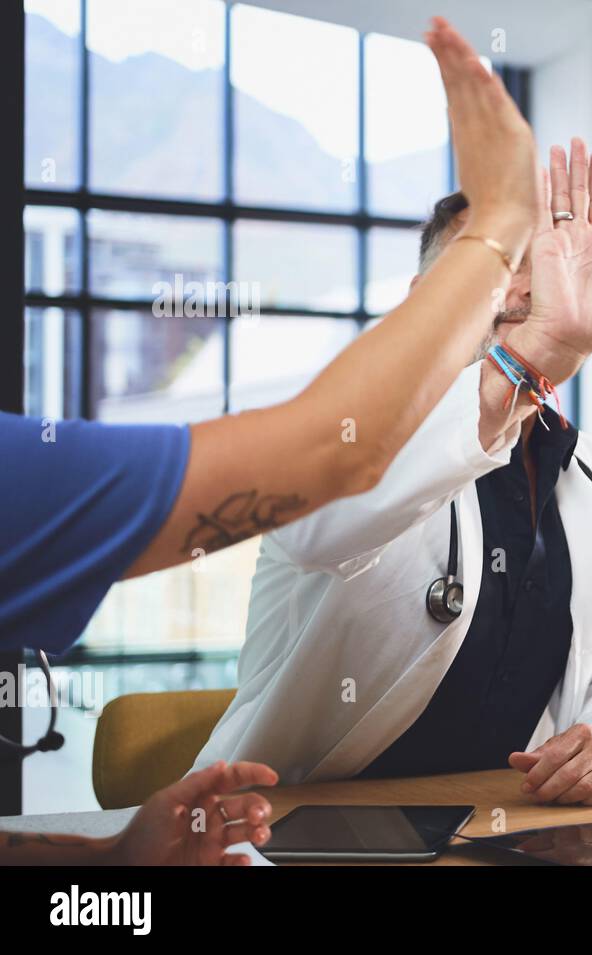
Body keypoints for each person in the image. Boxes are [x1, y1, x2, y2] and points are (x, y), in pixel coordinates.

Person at [0, 17, 538, 865]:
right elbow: (333, 458)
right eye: (510, 299)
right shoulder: (22, 476)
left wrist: (107, 867)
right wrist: (501, 226)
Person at [194, 142, 592, 808]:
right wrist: (520, 368)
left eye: (540, 263)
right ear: (422, 301)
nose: (527, 286)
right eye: (496, 264)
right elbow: (316, 528)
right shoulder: (351, 429)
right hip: (291, 826)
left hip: (507, 822)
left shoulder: (588, 471)